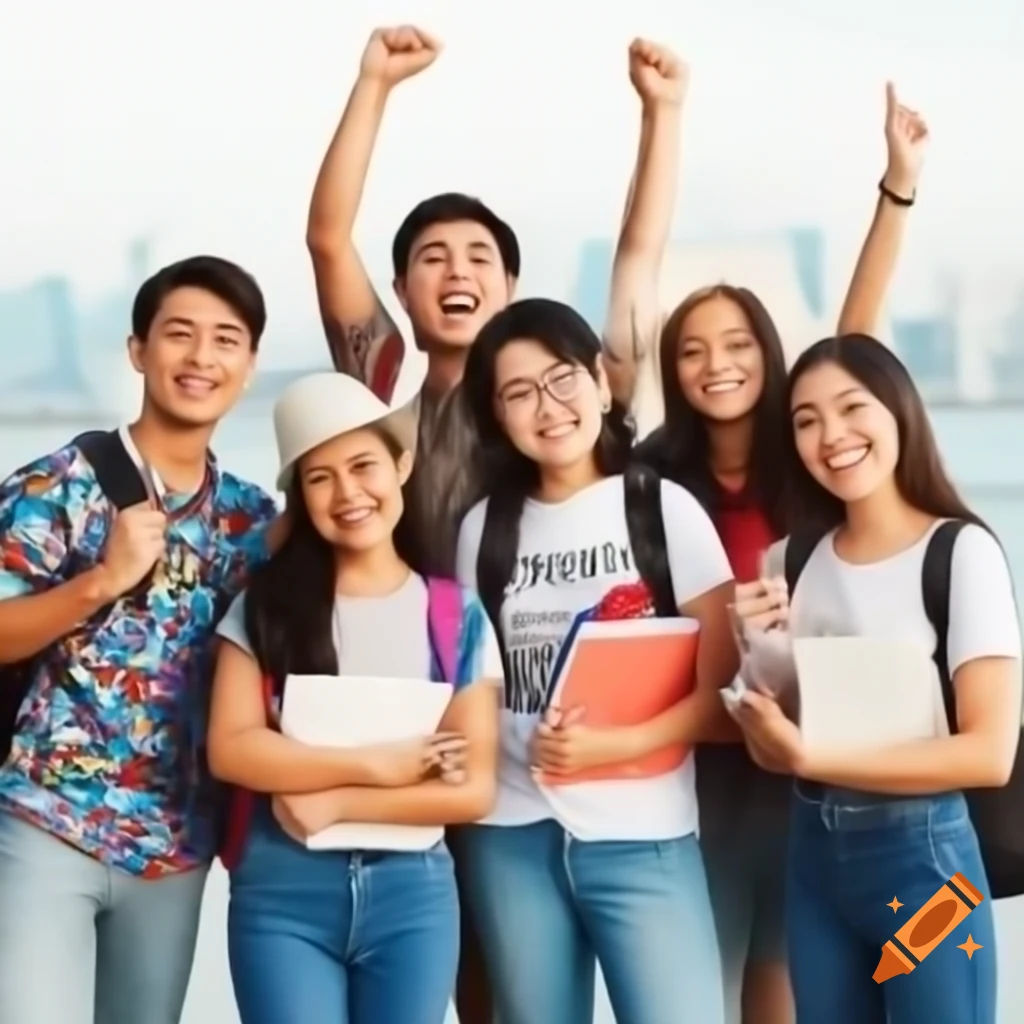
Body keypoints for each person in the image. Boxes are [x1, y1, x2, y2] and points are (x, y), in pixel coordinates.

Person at [307, 25, 687, 1020]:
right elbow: (326, 238)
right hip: (414, 711)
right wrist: (373, 84)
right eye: (431, 257)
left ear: (510, 287)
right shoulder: (383, 394)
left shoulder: (561, 399)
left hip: (543, 728)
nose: (455, 269)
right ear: (404, 293)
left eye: (478, 254)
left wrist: (660, 115)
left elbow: (640, 257)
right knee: (476, 970)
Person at [619, 82, 930, 1024]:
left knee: (786, 988)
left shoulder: (808, 461)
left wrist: (899, 187)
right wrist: (658, 118)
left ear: (768, 352)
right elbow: (635, 275)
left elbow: (857, 336)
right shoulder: (648, 479)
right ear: (670, 369)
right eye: (693, 350)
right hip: (697, 763)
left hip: (818, 755)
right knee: (695, 983)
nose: (718, 364)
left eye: (740, 344)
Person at [0, 256, 279, 1024]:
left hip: (176, 846)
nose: (201, 358)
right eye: (179, 335)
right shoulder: (57, 486)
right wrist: (98, 580)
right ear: (138, 351)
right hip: (47, 818)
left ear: (250, 367)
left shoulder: (252, 523)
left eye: (226, 340)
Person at [454, 297, 738, 1024]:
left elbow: (723, 696)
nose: (547, 407)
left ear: (601, 384)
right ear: (497, 418)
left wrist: (615, 745)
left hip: (645, 836)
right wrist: (522, 741)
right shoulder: (483, 529)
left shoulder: (665, 510)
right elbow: (471, 694)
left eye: (562, 379)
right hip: (511, 836)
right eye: (518, 393)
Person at [730, 334, 1020, 1024]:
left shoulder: (960, 553)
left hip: (926, 866)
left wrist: (810, 756)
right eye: (805, 421)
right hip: (815, 859)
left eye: (851, 407)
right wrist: (757, 656)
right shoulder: (788, 561)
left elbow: (989, 753)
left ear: (898, 411)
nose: (831, 435)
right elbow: (777, 732)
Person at [207, 361, 502, 1024]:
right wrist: (382, 765)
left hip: (414, 898)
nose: (347, 493)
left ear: (401, 466)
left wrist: (334, 799)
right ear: (301, 498)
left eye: (364, 465)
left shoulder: (454, 614)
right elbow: (232, 748)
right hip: (283, 892)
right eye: (320, 477)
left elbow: (472, 788)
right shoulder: (266, 609)